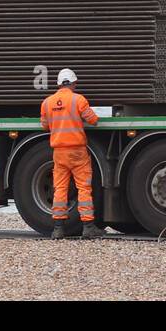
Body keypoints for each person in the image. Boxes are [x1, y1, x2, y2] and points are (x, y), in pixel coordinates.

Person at [40, 68, 104, 239]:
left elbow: (45, 125)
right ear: (73, 83)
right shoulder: (78, 100)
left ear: (59, 84)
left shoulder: (47, 102)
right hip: (77, 152)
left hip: (59, 152)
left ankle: (58, 229)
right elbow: (93, 120)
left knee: (60, 188)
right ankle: (88, 227)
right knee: (83, 187)